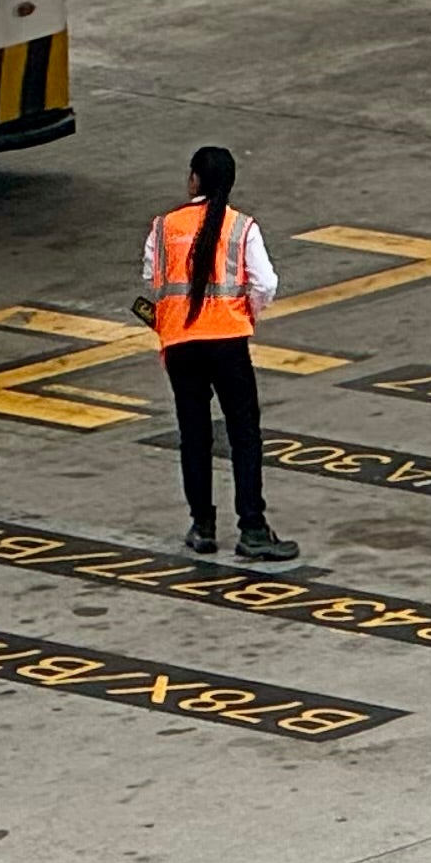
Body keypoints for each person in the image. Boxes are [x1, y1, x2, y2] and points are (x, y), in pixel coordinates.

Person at [144, 145, 299, 563]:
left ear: (194, 179)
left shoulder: (163, 227)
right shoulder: (242, 227)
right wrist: (245, 313)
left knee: (193, 435)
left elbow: (151, 278)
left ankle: (202, 526)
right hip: (228, 343)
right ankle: (252, 526)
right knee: (243, 434)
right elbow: (265, 283)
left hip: (179, 345)